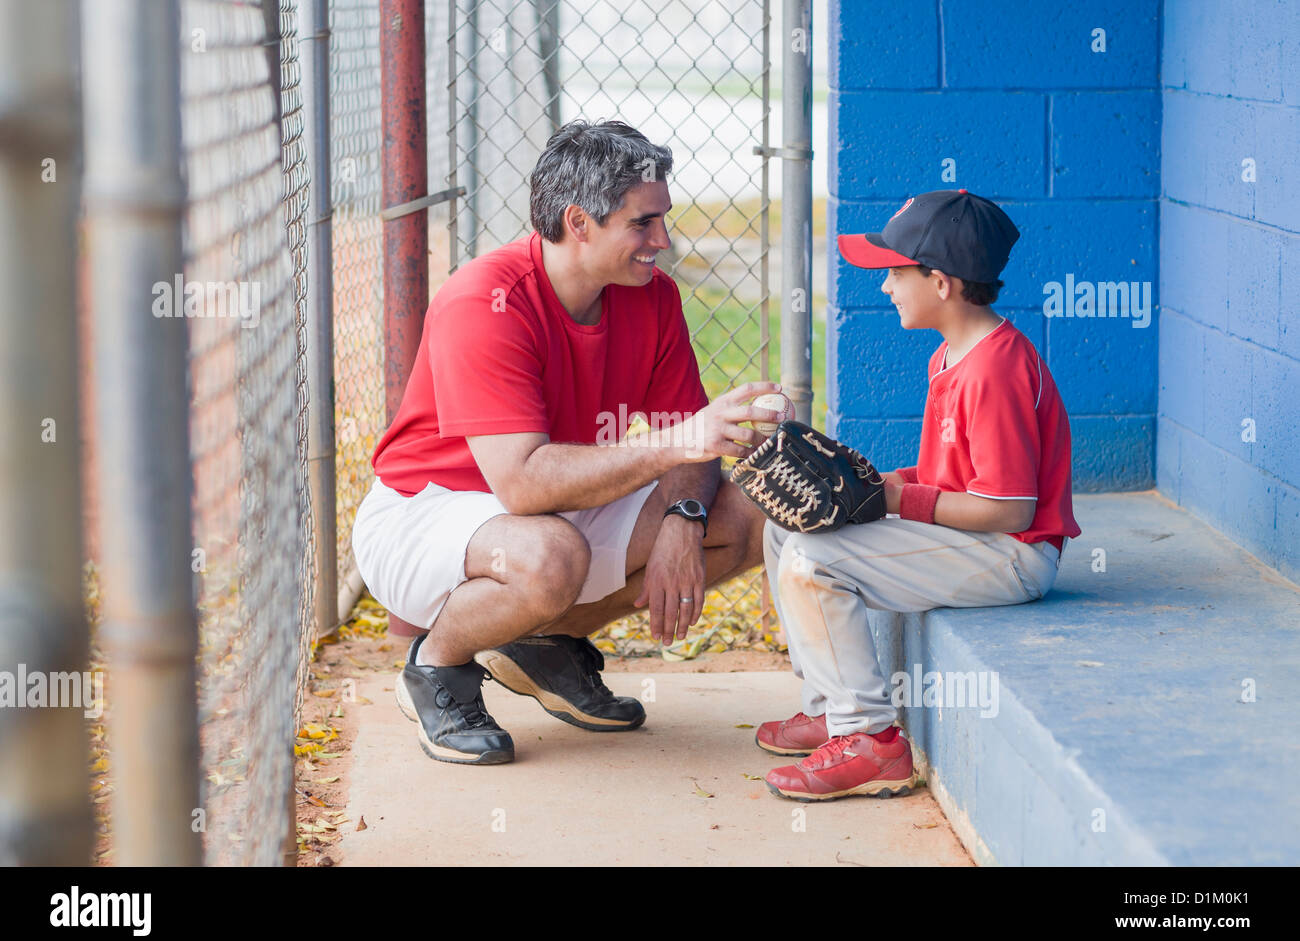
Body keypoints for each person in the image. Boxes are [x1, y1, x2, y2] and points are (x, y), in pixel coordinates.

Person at [352, 119, 785, 765]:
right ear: (579, 222)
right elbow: (523, 484)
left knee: (748, 513)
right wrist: (677, 444)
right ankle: (436, 664)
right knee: (549, 555)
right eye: (643, 224)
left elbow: (688, 444)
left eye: (663, 219)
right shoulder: (486, 300)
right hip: (427, 510)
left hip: (554, 502)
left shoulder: (652, 297)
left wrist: (684, 517)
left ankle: (538, 644)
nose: (663, 241)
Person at [759, 189, 1082, 801]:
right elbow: (949, 477)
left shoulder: (994, 370)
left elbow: (1010, 508)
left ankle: (871, 741)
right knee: (785, 528)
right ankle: (832, 709)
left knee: (811, 560)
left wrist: (892, 501)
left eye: (894, 272)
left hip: (1013, 554)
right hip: (969, 537)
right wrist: (875, 483)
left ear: (940, 282)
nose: (885, 287)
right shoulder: (950, 356)